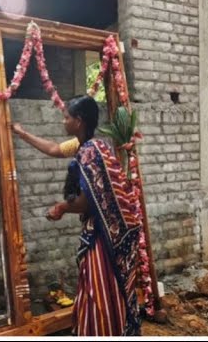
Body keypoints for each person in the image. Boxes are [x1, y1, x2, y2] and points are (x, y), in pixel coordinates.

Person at [13, 96, 144, 336]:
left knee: (99, 287)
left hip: (105, 235)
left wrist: (62, 207)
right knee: (107, 286)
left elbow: (87, 201)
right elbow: (54, 149)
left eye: (66, 117)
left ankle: (103, 330)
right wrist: (22, 133)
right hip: (109, 230)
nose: (63, 121)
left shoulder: (90, 152)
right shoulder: (89, 145)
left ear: (79, 121)